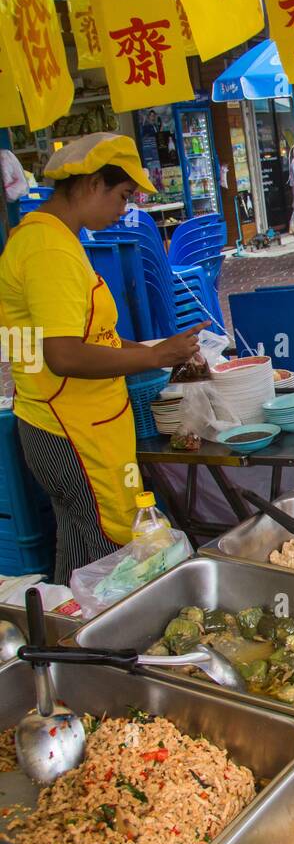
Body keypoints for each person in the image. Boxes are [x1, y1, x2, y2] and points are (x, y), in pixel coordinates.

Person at [0, 133, 205, 584]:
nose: (124, 208)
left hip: (77, 422)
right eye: (122, 195)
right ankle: (92, 641)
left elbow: (99, 339)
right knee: (105, 551)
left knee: (81, 543)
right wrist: (156, 357)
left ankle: (66, 636)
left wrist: (161, 348)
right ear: (92, 184)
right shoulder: (48, 249)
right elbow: (64, 355)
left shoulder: (56, 239)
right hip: (68, 427)